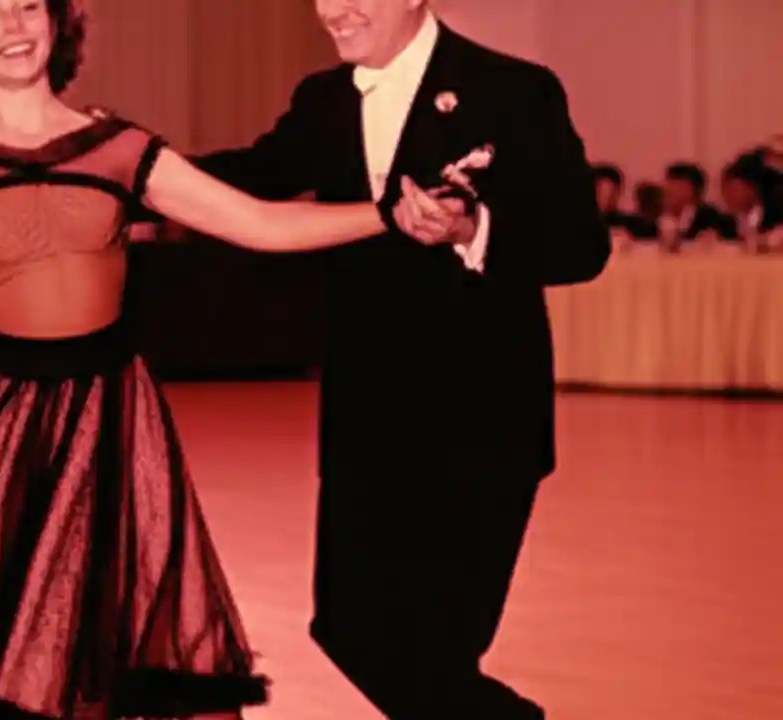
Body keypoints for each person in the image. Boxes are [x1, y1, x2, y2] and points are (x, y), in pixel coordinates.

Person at [0, 1, 447, 718]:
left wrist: (388, 214)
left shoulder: (118, 148)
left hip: (112, 414)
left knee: (106, 611)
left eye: (28, 7)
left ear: (56, 23)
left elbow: (257, 223)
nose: (14, 27)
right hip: (4, 419)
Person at [196, 1, 610, 718]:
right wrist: (127, 172)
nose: (334, 10)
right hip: (366, 425)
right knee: (348, 630)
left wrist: (473, 228)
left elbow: (581, 244)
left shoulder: (516, 90)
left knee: (437, 651)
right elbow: (253, 177)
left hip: (483, 426)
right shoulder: (323, 99)